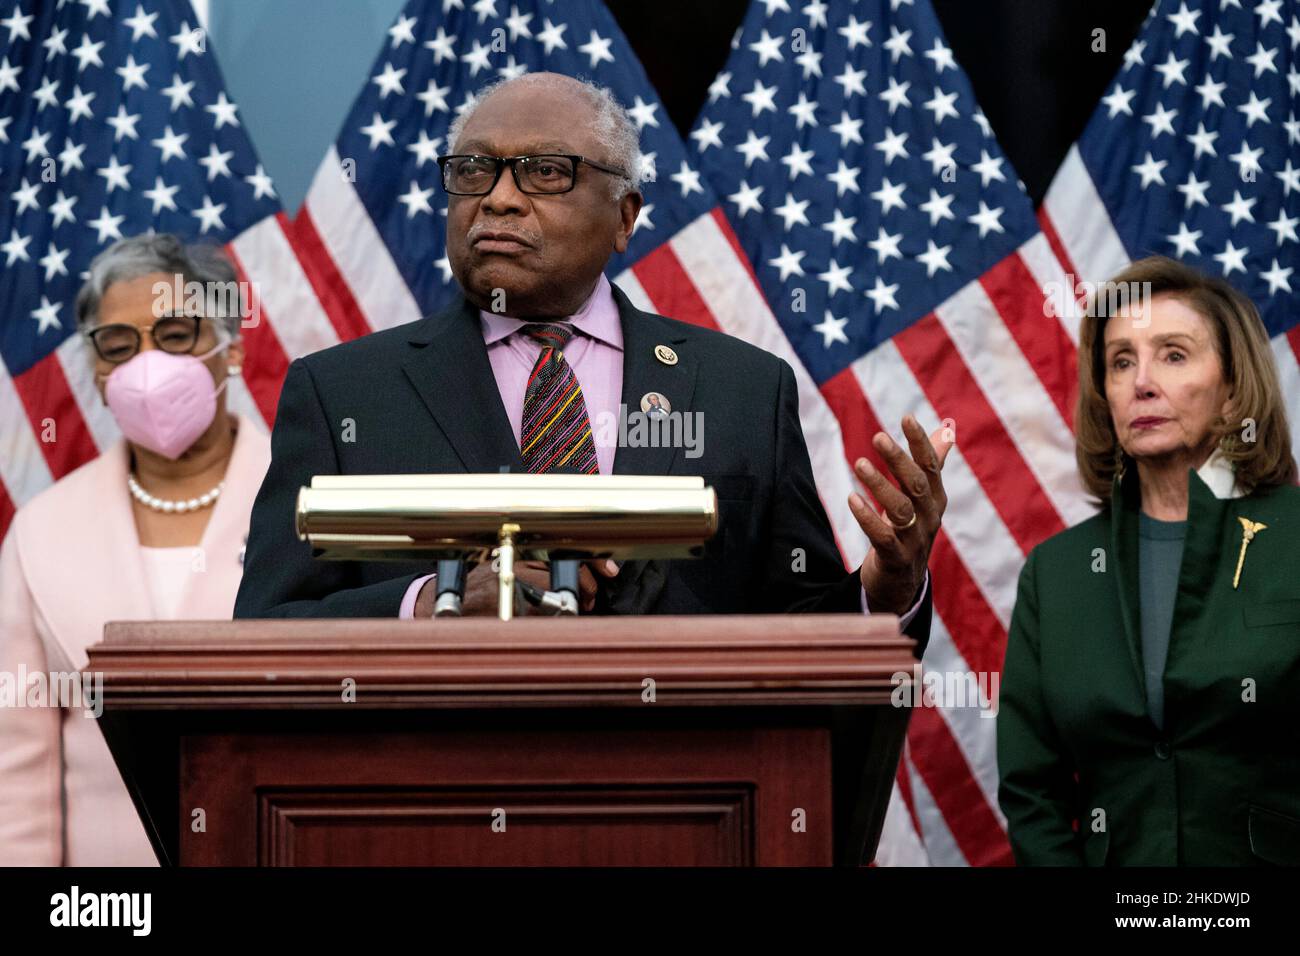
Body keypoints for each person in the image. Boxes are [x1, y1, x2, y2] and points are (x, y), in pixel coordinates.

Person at [234, 72, 950, 644]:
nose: (499, 200)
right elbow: (264, 634)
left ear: (626, 218)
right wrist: (435, 602)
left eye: (545, 172)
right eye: (474, 170)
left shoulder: (743, 392)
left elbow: (803, 637)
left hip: (682, 802)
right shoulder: (344, 394)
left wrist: (883, 591)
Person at [997, 256, 1300, 866]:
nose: (1142, 382)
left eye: (1174, 354)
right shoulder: (1056, 574)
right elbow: (1033, 793)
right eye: (1121, 362)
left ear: (1233, 389)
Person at [0, 235, 271, 865]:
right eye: (120, 347)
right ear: (97, 372)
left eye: (176, 334)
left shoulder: (303, 504)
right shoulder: (43, 530)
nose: (147, 367)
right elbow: (16, 759)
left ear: (231, 349)